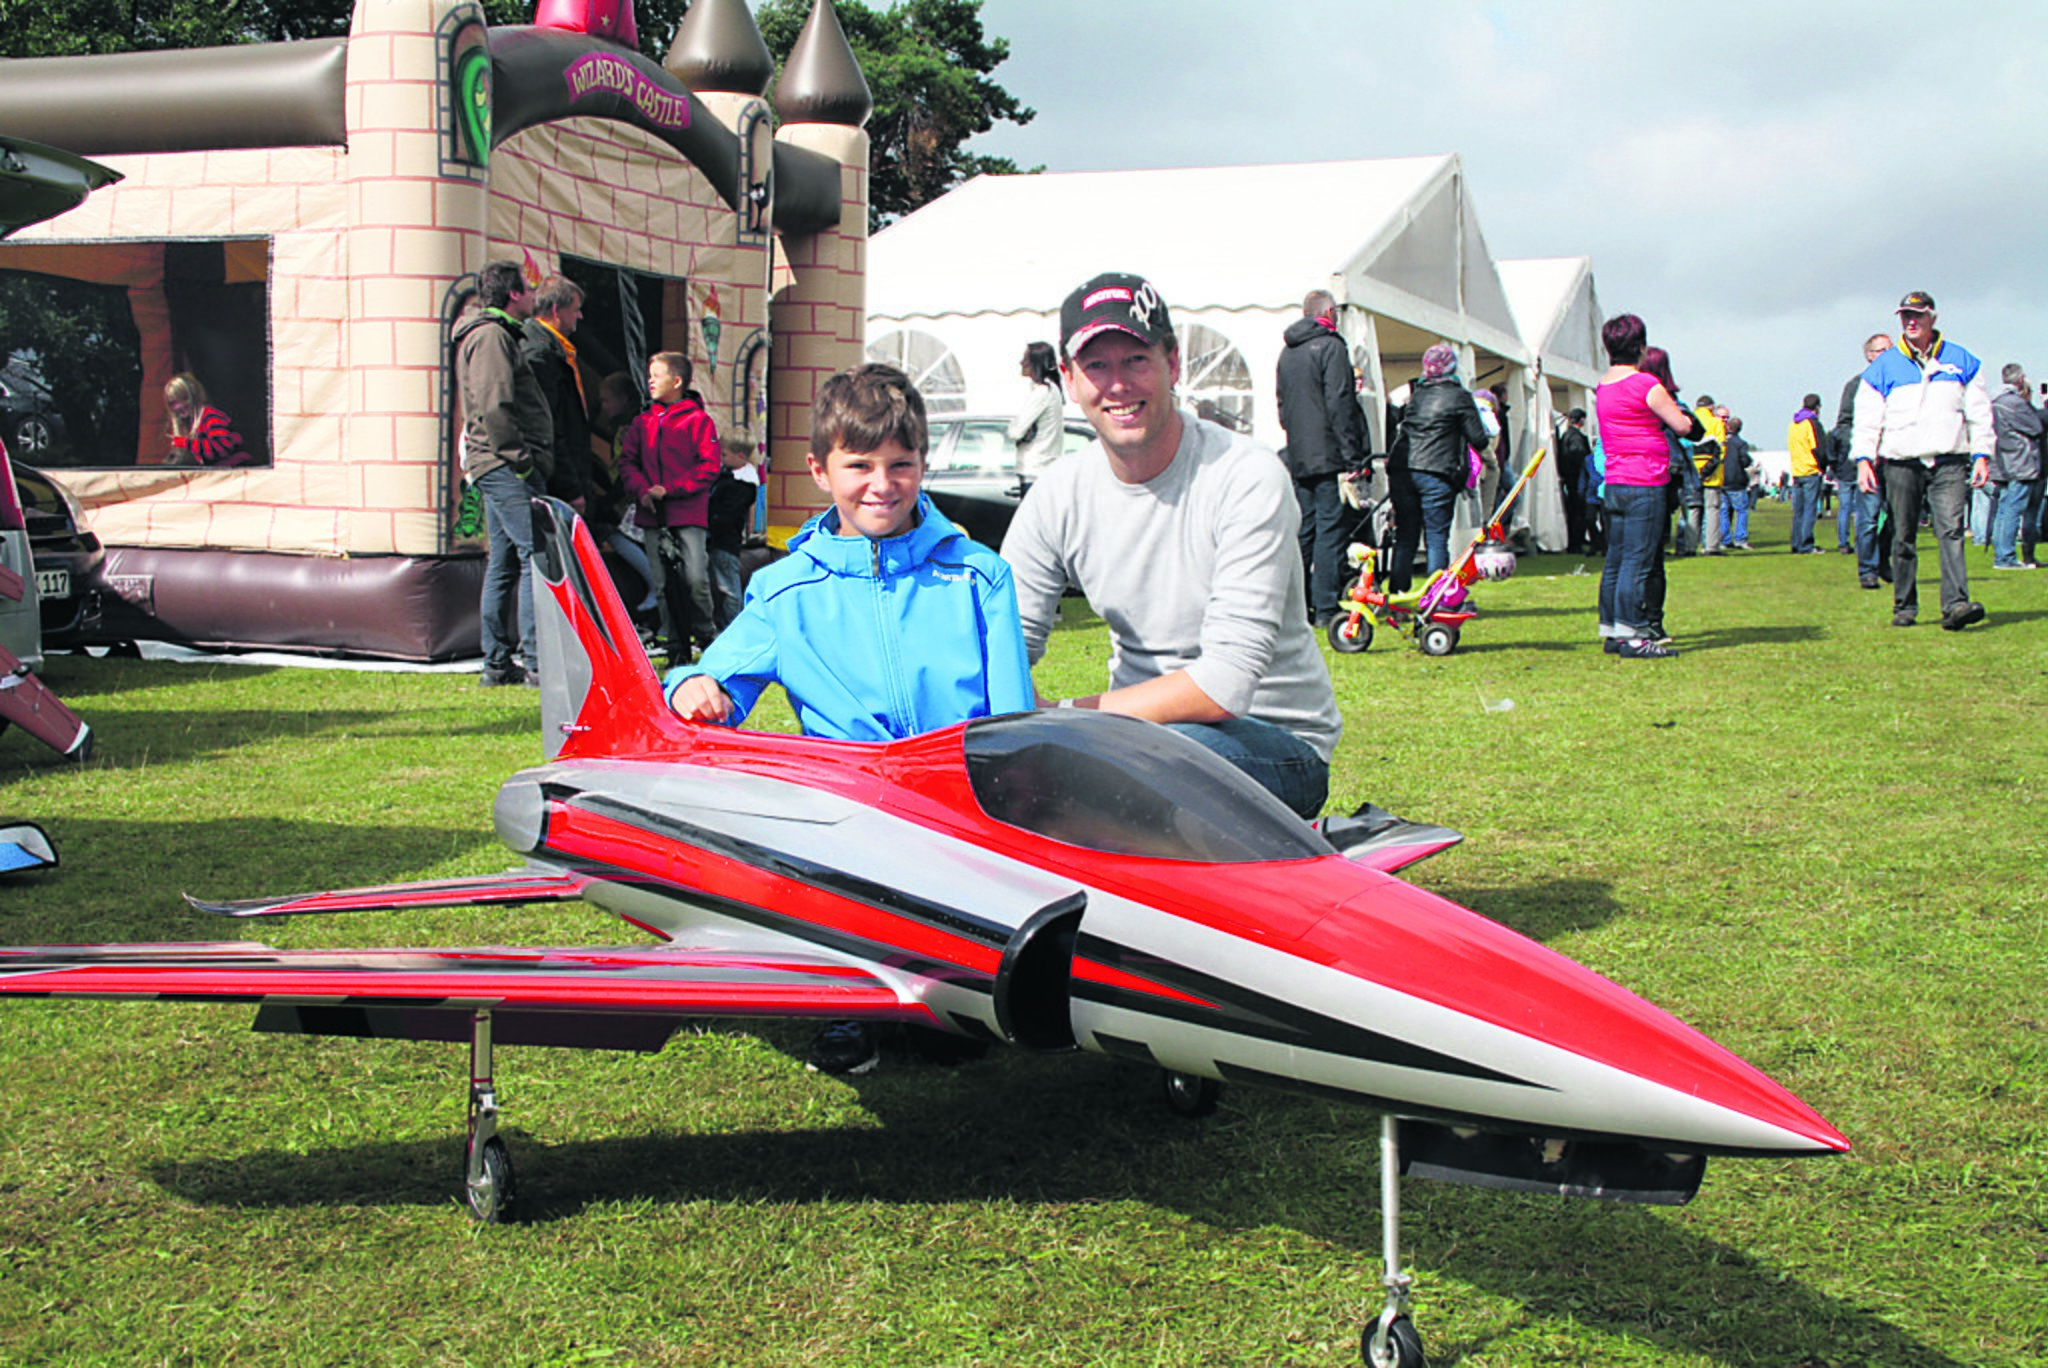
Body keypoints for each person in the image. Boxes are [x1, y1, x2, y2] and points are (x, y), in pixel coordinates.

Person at [671, 365, 1033, 1077]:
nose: (882, 484)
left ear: (924, 462)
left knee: (953, 917)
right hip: (848, 813)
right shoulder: (784, 590)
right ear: (818, 468)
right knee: (840, 893)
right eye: (860, 465)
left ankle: (946, 997)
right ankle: (845, 1006)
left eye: (902, 465)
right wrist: (694, 685)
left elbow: (1013, 722)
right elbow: (713, 679)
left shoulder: (979, 576)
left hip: (955, 805)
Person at [1002, 272, 1343, 819]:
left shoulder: (1246, 476)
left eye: (1136, 360)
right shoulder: (1057, 493)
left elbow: (1225, 685)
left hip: (1271, 740)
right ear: (1068, 379)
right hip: (1129, 743)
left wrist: (1066, 717)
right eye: (1096, 365)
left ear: (1173, 364)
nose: (1117, 385)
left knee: (1136, 777)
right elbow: (1003, 642)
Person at [1851, 291, 1992, 630]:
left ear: (1933, 317)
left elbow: (1980, 413)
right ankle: (1905, 605)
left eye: (1917, 315)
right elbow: (1867, 417)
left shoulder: (1963, 361)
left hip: (1949, 460)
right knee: (1903, 534)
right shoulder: (1884, 367)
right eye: (1905, 316)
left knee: (1951, 531)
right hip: (1902, 462)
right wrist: (1864, 459)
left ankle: (1956, 604)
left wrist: (1982, 454)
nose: (1911, 322)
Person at [454, 259, 550, 688]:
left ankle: (497, 664)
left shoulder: (492, 335)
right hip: (502, 463)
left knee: (506, 561)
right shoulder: (492, 336)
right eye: (528, 288)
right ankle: (535, 662)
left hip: (495, 460)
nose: (533, 295)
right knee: (536, 553)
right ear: (513, 294)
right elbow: (496, 403)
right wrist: (521, 458)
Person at [1594, 315, 1694, 659]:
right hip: (1645, 479)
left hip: (1616, 481)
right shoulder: (1646, 384)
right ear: (1639, 345)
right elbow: (1681, 425)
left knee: (1616, 561)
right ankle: (1634, 635)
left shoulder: (1604, 385)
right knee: (1638, 561)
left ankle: (1612, 630)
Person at [620, 351, 721, 668]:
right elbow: (627, 462)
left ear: (676, 381)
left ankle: (706, 636)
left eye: (657, 375)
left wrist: (672, 490)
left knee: (695, 579)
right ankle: (676, 647)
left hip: (687, 514)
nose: (650, 381)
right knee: (662, 583)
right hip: (652, 514)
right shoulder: (642, 422)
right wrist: (642, 490)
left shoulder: (698, 421)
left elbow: (709, 466)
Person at [1275, 289, 1369, 627]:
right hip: (1328, 453)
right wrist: (1353, 456)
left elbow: (1283, 406)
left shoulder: (1288, 353)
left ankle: (1298, 605)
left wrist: (1296, 441)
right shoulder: (1331, 347)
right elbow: (1340, 402)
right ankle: (1326, 606)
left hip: (1298, 451)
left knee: (1305, 530)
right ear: (1329, 312)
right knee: (1331, 530)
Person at [1392, 342, 1490, 585]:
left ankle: (1397, 595)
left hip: (1404, 467)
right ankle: (1436, 599)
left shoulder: (1418, 394)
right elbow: (1478, 438)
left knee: (1405, 536)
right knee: (1436, 537)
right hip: (1437, 469)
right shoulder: (1459, 396)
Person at [520, 275, 592, 513]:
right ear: (555, 310)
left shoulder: (551, 348)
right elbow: (550, 423)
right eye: (575, 310)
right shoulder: (541, 354)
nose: (579, 316)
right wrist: (570, 487)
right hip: (549, 478)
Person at [1837, 334, 1892, 588]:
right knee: (1868, 517)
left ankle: (1883, 559)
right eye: (1881, 350)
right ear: (1869, 355)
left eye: (1890, 349)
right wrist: (1862, 453)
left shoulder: (1900, 381)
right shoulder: (1856, 385)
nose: (1887, 354)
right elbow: (1844, 423)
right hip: (1869, 461)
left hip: (1896, 458)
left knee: (1898, 517)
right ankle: (1867, 568)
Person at [1988, 362, 2043, 570]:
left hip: (2003, 460)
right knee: (2013, 509)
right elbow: (2035, 427)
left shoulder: (1995, 401)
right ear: (2020, 380)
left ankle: (2001, 553)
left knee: (2004, 508)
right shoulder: (2015, 403)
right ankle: (2006, 556)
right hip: (2020, 460)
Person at [704, 431, 759, 627]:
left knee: (728, 587)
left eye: (724, 455)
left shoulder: (743, 485)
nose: (721, 459)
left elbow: (727, 514)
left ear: (740, 456)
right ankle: (722, 622)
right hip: (717, 538)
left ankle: (734, 624)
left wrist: (712, 523)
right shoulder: (727, 477)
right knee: (718, 585)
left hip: (725, 541)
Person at [162, 373, 252, 468]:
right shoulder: (192, 424)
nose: (178, 406)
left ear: (195, 395)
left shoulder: (210, 416)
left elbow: (222, 448)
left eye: (184, 399)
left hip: (238, 472)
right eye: (173, 403)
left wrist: (186, 444)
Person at [1005, 341, 1067, 478]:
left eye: (1025, 359)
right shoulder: (1052, 389)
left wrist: (1014, 426)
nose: (1021, 363)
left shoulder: (1042, 392)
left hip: (1034, 468)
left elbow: (1015, 432)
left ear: (1035, 363)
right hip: (1044, 469)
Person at [1787, 395, 1828, 554]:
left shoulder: (1794, 424)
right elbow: (1818, 448)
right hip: (1810, 470)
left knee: (1799, 511)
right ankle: (1806, 544)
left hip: (1797, 470)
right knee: (1810, 510)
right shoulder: (1812, 423)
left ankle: (1796, 543)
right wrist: (1822, 466)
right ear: (1817, 407)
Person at [1691, 395, 1727, 554]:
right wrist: (1707, 470)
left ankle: (1687, 545)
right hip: (1712, 475)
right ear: (1711, 407)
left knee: (1692, 509)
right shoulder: (1716, 423)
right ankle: (1711, 546)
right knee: (1712, 509)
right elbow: (1721, 450)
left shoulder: (1688, 421)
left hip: (1691, 472)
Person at [1556, 407, 1592, 553]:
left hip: (1569, 478)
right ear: (1581, 419)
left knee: (1572, 511)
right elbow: (1578, 455)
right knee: (1579, 512)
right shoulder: (1576, 437)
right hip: (1577, 479)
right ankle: (1576, 543)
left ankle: (1575, 541)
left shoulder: (1565, 435)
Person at [1720, 414, 1754, 549]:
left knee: (1723, 511)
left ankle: (1724, 539)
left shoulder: (1723, 442)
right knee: (1741, 510)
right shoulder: (1740, 444)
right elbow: (1745, 461)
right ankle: (1740, 538)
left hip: (1722, 480)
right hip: (1736, 481)